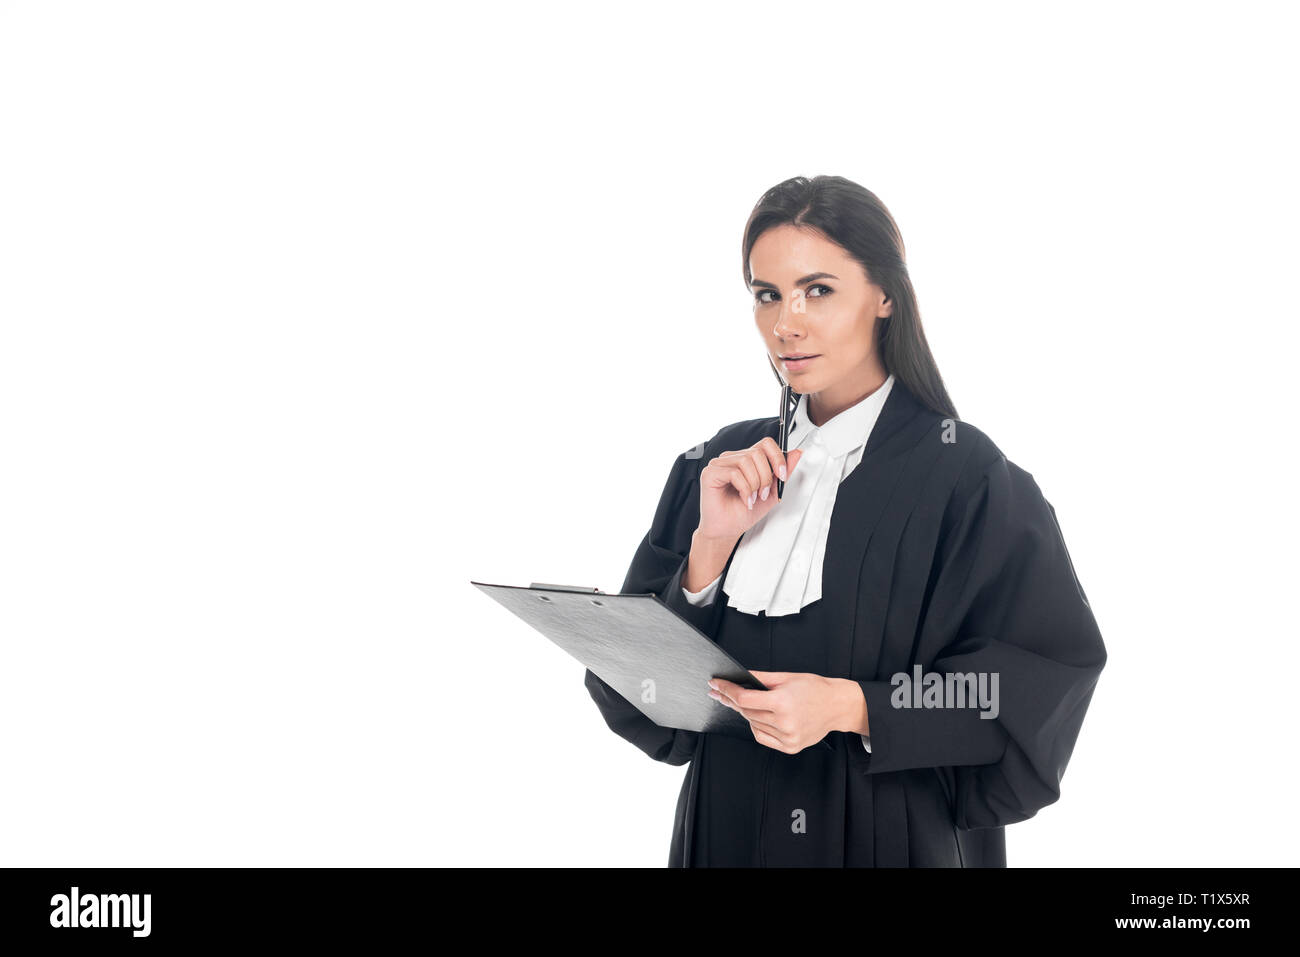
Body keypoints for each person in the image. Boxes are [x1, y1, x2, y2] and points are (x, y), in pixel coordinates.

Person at [584, 175, 1107, 867]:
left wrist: (854, 707)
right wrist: (709, 549)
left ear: (885, 295)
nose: (785, 322)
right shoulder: (719, 463)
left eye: (818, 290)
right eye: (766, 294)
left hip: (892, 840)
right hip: (723, 835)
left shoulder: (969, 477)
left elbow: (1036, 688)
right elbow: (642, 700)